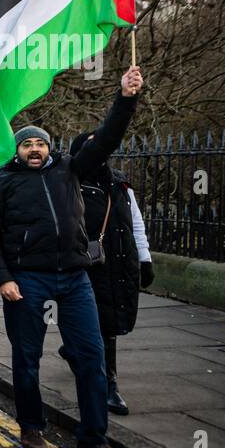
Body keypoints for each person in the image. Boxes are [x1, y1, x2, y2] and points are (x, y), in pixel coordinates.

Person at [0, 66, 144, 448]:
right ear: (17, 150)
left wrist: (125, 97)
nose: (34, 149)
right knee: (26, 358)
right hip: (26, 280)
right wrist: (3, 279)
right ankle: (31, 426)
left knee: (91, 357)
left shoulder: (69, 170)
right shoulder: (1, 183)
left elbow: (106, 139)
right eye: (27, 144)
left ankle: (94, 442)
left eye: (40, 143)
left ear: (50, 148)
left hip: (74, 277)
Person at [56, 131, 153, 416]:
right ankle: (107, 383)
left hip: (118, 264)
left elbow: (136, 223)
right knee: (96, 325)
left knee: (109, 324)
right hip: (84, 265)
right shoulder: (69, 182)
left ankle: (89, 363)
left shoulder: (120, 184)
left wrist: (145, 259)